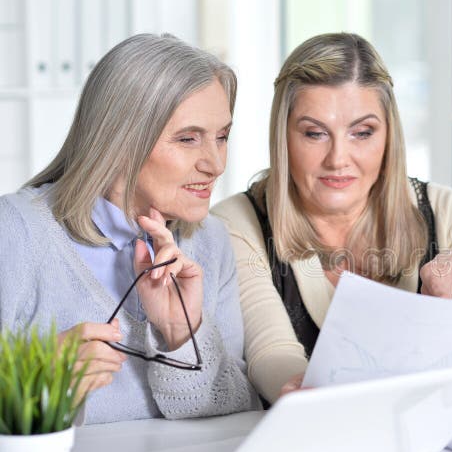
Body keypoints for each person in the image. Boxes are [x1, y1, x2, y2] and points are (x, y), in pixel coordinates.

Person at [211, 32, 452, 405]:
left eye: (362, 133)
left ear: (389, 135)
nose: (338, 159)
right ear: (283, 137)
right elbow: (271, 352)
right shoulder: (237, 224)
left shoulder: (448, 215)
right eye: (315, 133)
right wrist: (301, 390)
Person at [0, 33, 260, 424]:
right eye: (188, 139)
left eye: (222, 137)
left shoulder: (210, 240)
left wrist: (180, 333)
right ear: (120, 139)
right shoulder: (16, 231)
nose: (216, 164)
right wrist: (36, 380)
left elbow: (236, 410)